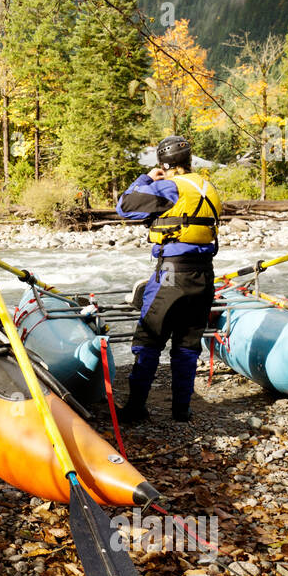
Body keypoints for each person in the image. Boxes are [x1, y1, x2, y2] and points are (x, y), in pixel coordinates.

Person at [115, 134, 221, 424]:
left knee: (149, 340)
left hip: (172, 273)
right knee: (187, 345)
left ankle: (135, 408)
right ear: (187, 161)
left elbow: (125, 206)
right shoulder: (207, 187)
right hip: (203, 275)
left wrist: (146, 178)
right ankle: (181, 411)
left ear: (164, 163)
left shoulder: (169, 187)